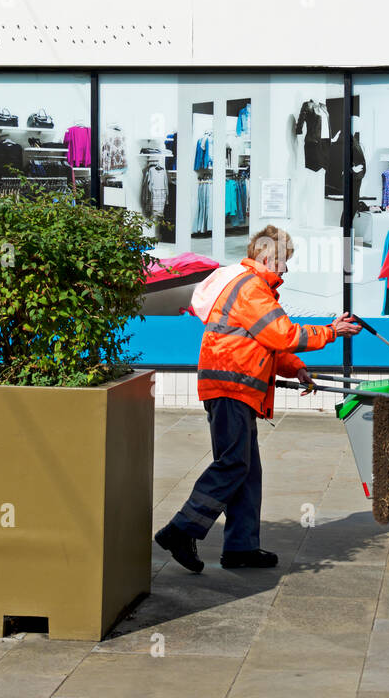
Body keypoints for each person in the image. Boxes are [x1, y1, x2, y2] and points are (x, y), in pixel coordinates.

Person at [154, 225, 360, 573]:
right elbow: (281, 334)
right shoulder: (251, 289)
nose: (286, 270)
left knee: (246, 471)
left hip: (235, 387)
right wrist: (331, 331)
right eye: (284, 262)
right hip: (231, 386)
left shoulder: (253, 289)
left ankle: (241, 547)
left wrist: (296, 369)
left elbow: (264, 340)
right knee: (234, 464)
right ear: (268, 257)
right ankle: (181, 529)